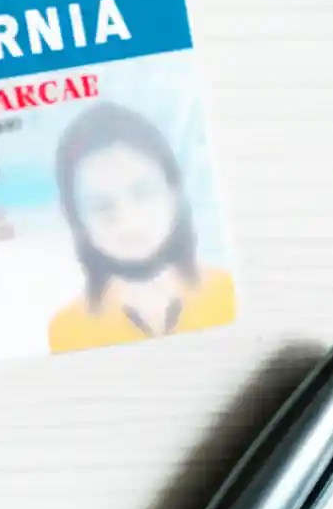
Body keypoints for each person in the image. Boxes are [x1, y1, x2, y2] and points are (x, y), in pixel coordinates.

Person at [49, 103, 235, 352]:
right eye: (100, 205)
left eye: (143, 192)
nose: (127, 218)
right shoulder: (68, 332)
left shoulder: (229, 294)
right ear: (75, 218)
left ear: (173, 189)